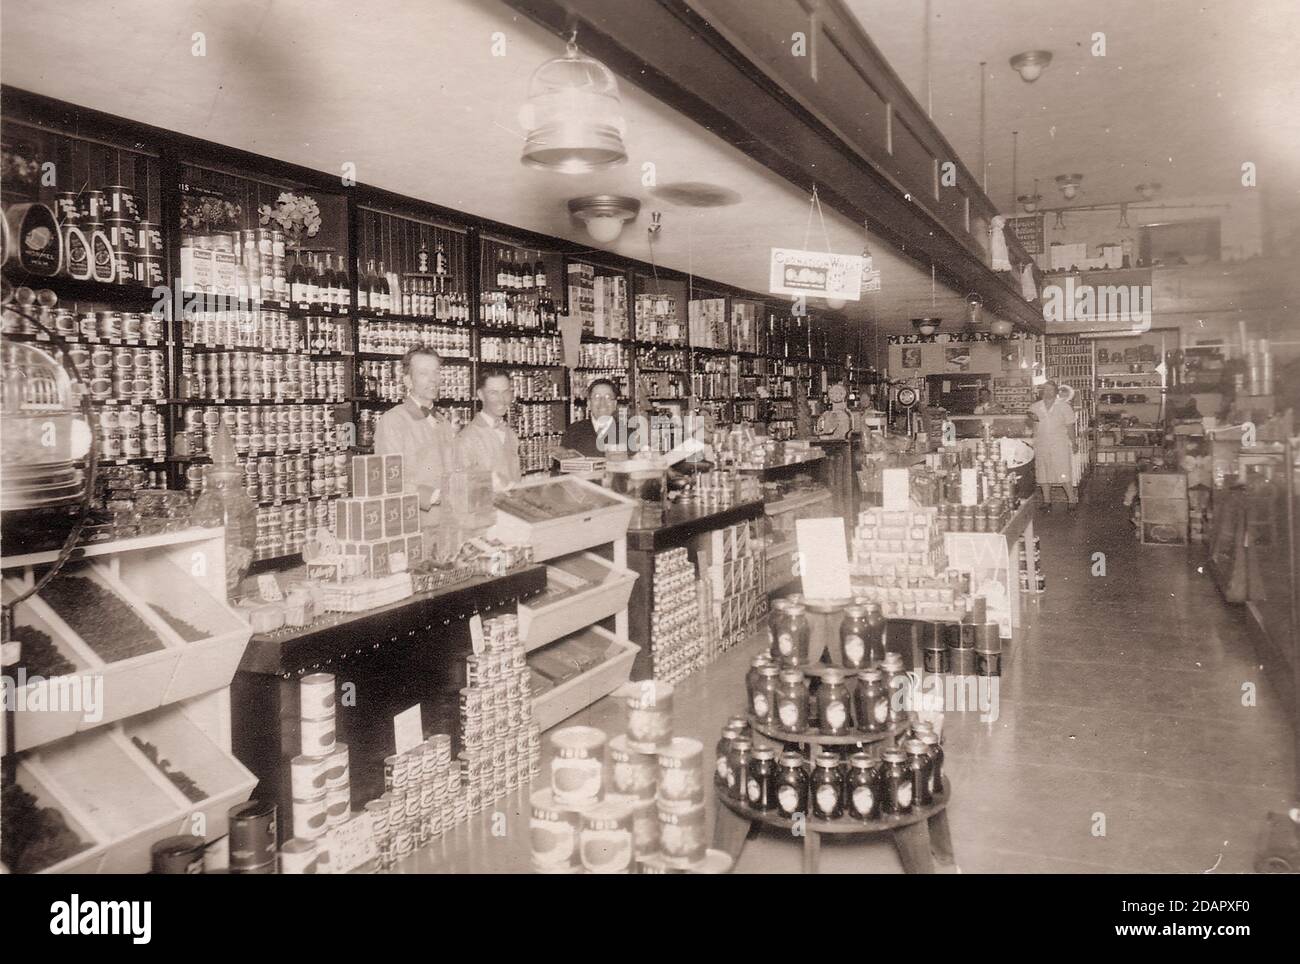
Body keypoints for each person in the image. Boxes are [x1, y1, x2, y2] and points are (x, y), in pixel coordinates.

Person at [373, 347, 458, 528]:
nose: (433, 379)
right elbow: (389, 481)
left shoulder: (442, 421)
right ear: (408, 381)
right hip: (413, 526)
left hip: (447, 523)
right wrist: (434, 496)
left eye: (436, 372)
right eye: (423, 373)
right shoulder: (393, 420)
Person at [457, 370, 522, 491]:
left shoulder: (511, 434)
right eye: (494, 393)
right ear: (481, 395)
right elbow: (461, 487)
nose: (502, 400)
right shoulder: (466, 438)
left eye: (506, 392)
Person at [1026, 380, 1077, 512]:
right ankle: (1046, 501)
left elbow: (1070, 426)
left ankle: (1071, 500)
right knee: (1043, 472)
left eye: (1051, 389)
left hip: (1059, 443)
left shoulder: (1064, 406)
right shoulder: (1034, 407)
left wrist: (1074, 442)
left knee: (1063, 471)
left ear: (1056, 392)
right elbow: (1033, 426)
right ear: (1042, 391)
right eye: (1045, 389)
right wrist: (1032, 439)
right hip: (1041, 443)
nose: (1048, 392)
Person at [555, 378, 622, 458]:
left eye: (608, 397)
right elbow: (558, 467)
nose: (602, 402)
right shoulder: (574, 431)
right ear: (589, 404)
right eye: (597, 397)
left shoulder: (628, 432)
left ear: (615, 404)